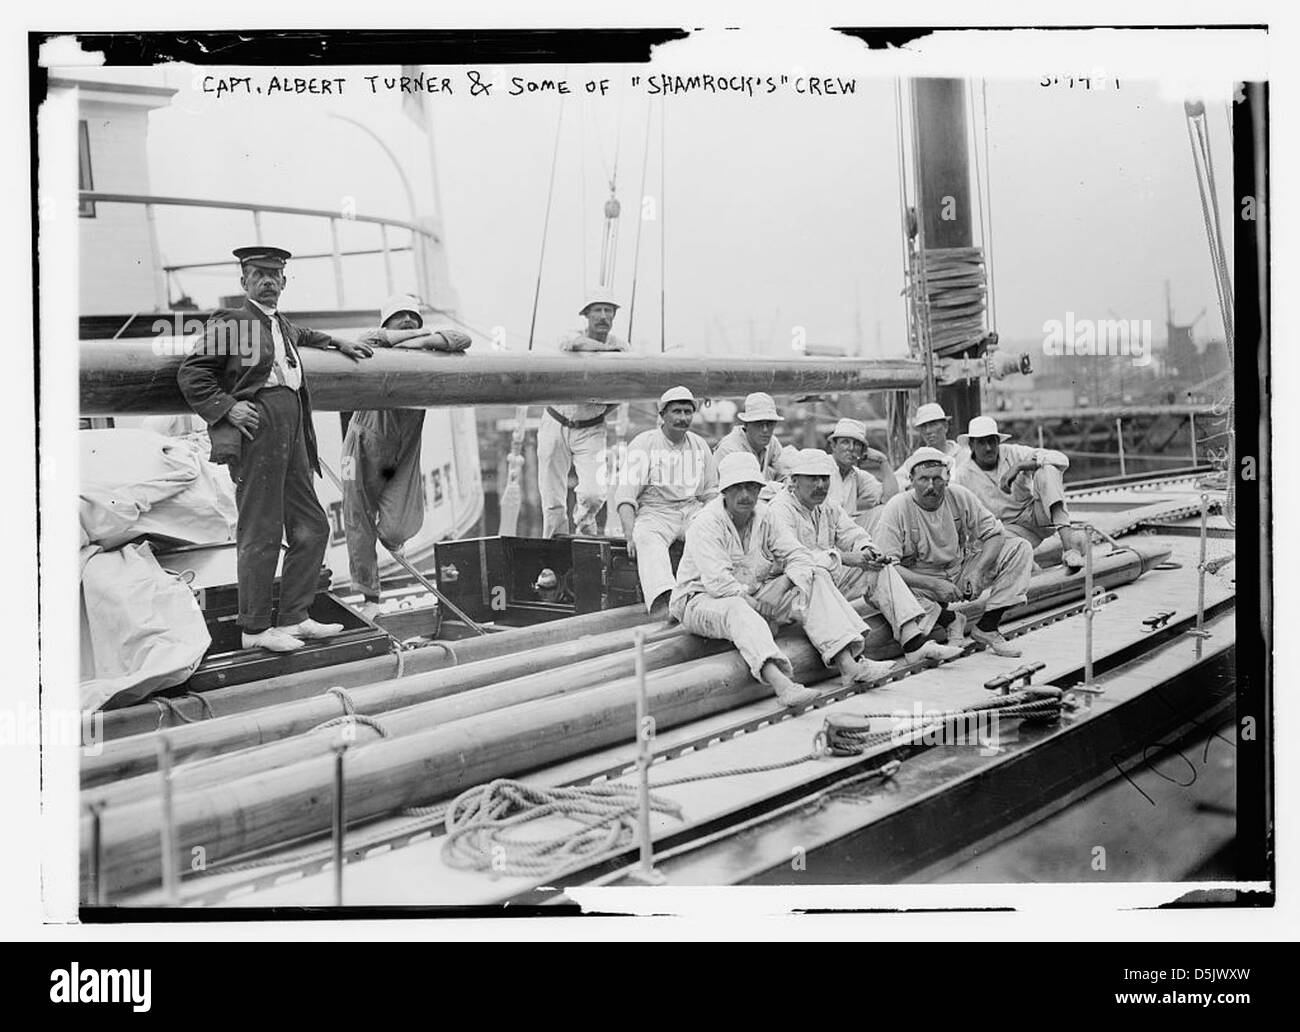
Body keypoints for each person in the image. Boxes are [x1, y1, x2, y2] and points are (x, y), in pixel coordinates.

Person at [177, 245, 373, 652]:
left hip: (295, 429)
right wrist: (228, 408)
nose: (268, 282)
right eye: (259, 274)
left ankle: (296, 617)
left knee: (313, 525)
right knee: (262, 530)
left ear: (284, 282)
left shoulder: (281, 324)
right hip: (259, 430)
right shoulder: (233, 322)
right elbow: (193, 372)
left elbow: (305, 336)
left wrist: (339, 342)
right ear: (244, 281)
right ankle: (254, 629)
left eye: (275, 275)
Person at [671, 453, 899, 708]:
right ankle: (785, 686)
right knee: (737, 609)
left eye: (751, 487)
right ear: (724, 491)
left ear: (759, 488)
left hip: (751, 594)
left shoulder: (764, 516)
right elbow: (719, 584)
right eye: (737, 488)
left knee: (816, 575)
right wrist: (759, 607)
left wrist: (782, 585)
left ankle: (849, 665)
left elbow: (799, 556)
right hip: (701, 600)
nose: (745, 495)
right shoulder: (706, 522)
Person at [342, 294, 472, 620]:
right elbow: (365, 339)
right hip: (364, 441)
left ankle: (388, 540)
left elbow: (462, 338)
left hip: (404, 448)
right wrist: (405, 341)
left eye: (414, 318)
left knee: (400, 528)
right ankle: (369, 596)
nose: (409, 322)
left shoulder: (428, 350)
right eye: (400, 318)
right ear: (387, 324)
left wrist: (419, 342)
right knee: (358, 518)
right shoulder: (376, 348)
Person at [769, 449, 961, 665]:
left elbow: (852, 533)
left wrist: (867, 550)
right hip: (790, 590)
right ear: (794, 481)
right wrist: (847, 558)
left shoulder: (825, 505)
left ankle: (913, 642)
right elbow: (795, 561)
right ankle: (855, 662)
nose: (821, 485)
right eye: (813, 479)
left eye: (824, 478)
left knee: (878, 566)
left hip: (823, 578)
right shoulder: (779, 510)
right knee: (818, 574)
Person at [873, 447, 1035, 657]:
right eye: (923, 479)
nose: (931, 486)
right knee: (877, 581)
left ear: (947, 479)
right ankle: (950, 619)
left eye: (937, 479)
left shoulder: (959, 496)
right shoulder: (898, 507)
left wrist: (977, 571)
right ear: (911, 479)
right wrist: (933, 584)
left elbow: (994, 534)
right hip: (920, 583)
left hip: (958, 571)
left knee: (1020, 548)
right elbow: (887, 565)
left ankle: (987, 626)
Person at [615, 386, 718, 614]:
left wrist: (716, 521)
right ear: (662, 415)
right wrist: (629, 533)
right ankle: (664, 600)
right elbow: (625, 496)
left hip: (691, 509)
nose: (683, 418)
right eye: (677, 412)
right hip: (656, 512)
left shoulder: (699, 445)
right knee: (646, 537)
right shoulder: (644, 444)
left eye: (687, 412)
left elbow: (711, 493)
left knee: (711, 531)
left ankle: (705, 594)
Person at [538, 287, 629, 537]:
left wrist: (602, 409)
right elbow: (571, 343)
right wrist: (606, 354)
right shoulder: (573, 337)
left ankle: (584, 522)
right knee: (552, 496)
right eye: (597, 310)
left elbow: (627, 387)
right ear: (586, 316)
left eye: (608, 311)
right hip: (555, 422)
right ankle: (553, 545)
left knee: (593, 493)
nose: (603, 316)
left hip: (591, 428)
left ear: (614, 316)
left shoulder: (623, 347)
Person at [951, 415, 1091, 571]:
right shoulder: (962, 476)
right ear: (971, 445)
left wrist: (1019, 466)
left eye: (991, 441)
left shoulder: (1013, 453)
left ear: (998, 441)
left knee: (1048, 469)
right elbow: (959, 517)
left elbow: (1061, 459)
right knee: (993, 542)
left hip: (1036, 518)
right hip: (1008, 531)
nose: (988, 448)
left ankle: (1069, 547)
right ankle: (1032, 570)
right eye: (981, 443)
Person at [825, 417, 897, 531]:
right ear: (833, 446)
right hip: (821, 530)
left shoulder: (857, 475)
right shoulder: (822, 466)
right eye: (845, 442)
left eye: (857, 444)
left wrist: (883, 462)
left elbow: (890, 501)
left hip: (846, 534)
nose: (851, 448)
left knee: (884, 512)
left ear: (862, 451)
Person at [712, 392, 786, 501]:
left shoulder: (772, 442)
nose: (765, 429)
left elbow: (786, 474)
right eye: (759, 423)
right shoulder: (730, 448)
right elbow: (747, 489)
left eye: (770, 423)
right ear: (746, 424)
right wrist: (783, 488)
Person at [893, 402, 969, 489]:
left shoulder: (963, 455)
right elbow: (897, 480)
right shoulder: (919, 456)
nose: (928, 431)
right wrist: (911, 486)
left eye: (933, 424)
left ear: (945, 426)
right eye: (923, 427)